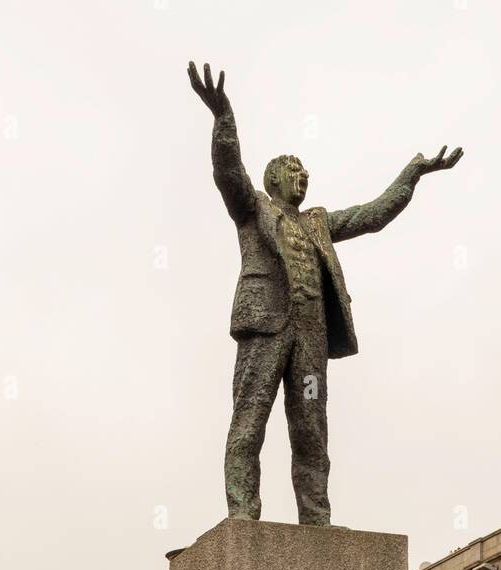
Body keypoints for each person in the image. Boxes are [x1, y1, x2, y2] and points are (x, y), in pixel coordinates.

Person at [186, 62, 463, 525]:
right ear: (273, 179)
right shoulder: (252, 206)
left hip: (310, 342)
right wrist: (223, 117)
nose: (302, 174)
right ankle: (243, 515)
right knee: (250, 421)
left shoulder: (319, 222)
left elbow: (371, 215)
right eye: (292, 169)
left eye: (305, 169)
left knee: (311, 428)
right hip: (266, 329)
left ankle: (316, 516)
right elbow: (228, 171)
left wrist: (412, 173)